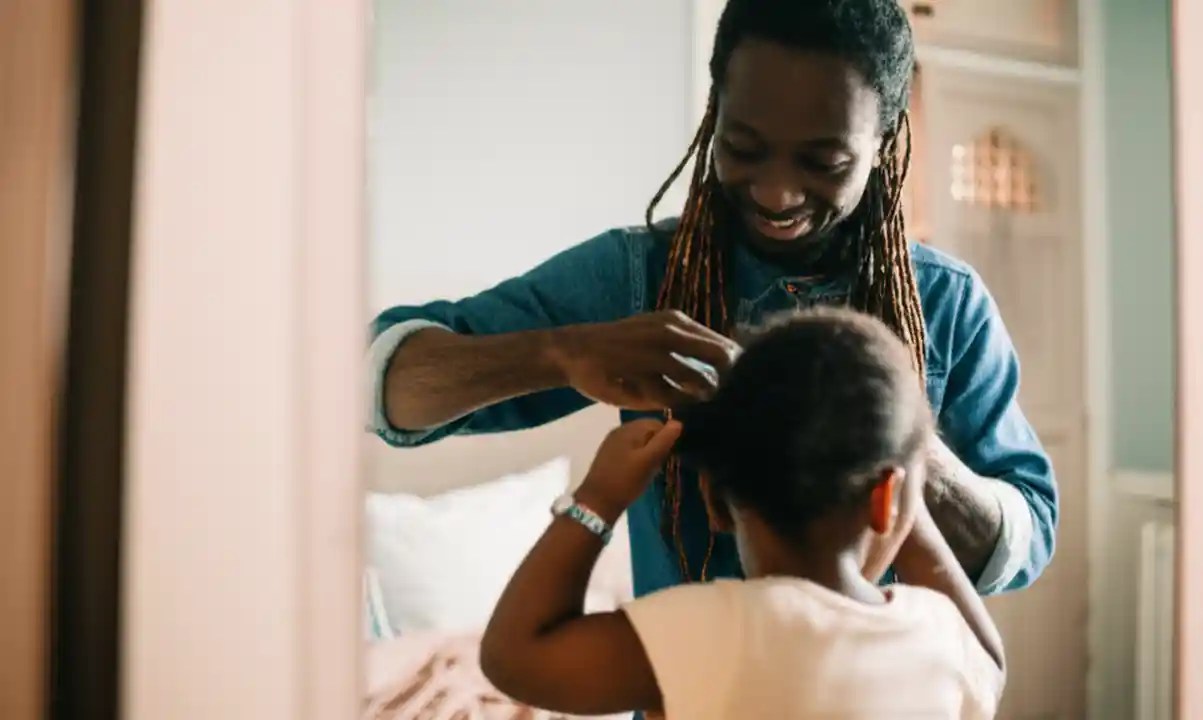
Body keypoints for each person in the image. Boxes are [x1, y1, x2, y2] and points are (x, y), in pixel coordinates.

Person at [368, 0, 1054, 597]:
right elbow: (379, 388)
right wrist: (564, 351)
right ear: (714, 112)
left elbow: (1024, 542)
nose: (778, 192)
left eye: (824, 163)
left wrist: (892, 438)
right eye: (745, 147)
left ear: (885, 141)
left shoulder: (948, 304)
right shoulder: (638, 279)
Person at [479, 309, 1006, 719]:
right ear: (886, 499)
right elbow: (990, 661)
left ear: (713, 498)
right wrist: (891, 485)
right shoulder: (937, 635)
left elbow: (514, 656)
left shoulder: (705, 634)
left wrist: (598, 497)